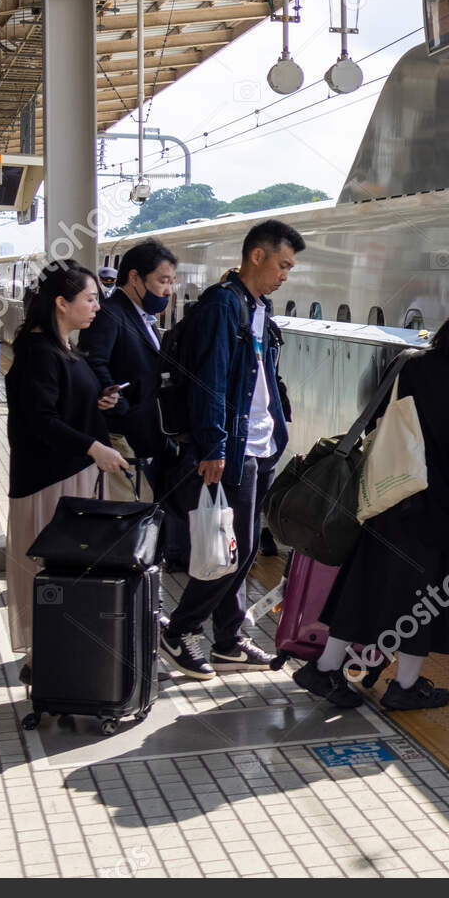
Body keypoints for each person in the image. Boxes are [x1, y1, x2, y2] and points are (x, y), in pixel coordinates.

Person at [293, 296, 449, 710]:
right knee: (425, 601)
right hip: (434, 516)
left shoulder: (409, 364)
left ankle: (324, 668)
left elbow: (375, 416)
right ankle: (406, 686)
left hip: (385, 498)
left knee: (363, 586)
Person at [160, 219, 301, 679]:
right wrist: (214, 445)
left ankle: (228, 640)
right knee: (230, 548)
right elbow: (211, 379)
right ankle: (179, 629)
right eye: (282, 264)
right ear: (256, 256)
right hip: (233, 447)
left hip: (260, 445)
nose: (285, 274)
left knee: (240, 545)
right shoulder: (223, 306)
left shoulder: (258, 305)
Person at [4, 260, 132, 683]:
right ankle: (46, 661)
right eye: (90, 299)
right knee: (49, 574)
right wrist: (94, 446)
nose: (97, 307)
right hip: (49, 481)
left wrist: (99, 402)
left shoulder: (64, 346)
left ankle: (59, 656)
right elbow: (39, 419)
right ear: (61, 303)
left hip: (70, 476)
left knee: (67, 572)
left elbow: (63, 404)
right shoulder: (39, 352)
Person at [78, 239, 178, 500]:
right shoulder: (110, 314)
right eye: (163, 281)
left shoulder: (144, 317)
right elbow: (93, 362)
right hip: (124, 437)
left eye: (171, 282)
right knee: (131, 512)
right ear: (135, 277)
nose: (169, 291)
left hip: (147, 436)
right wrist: (123, 409)